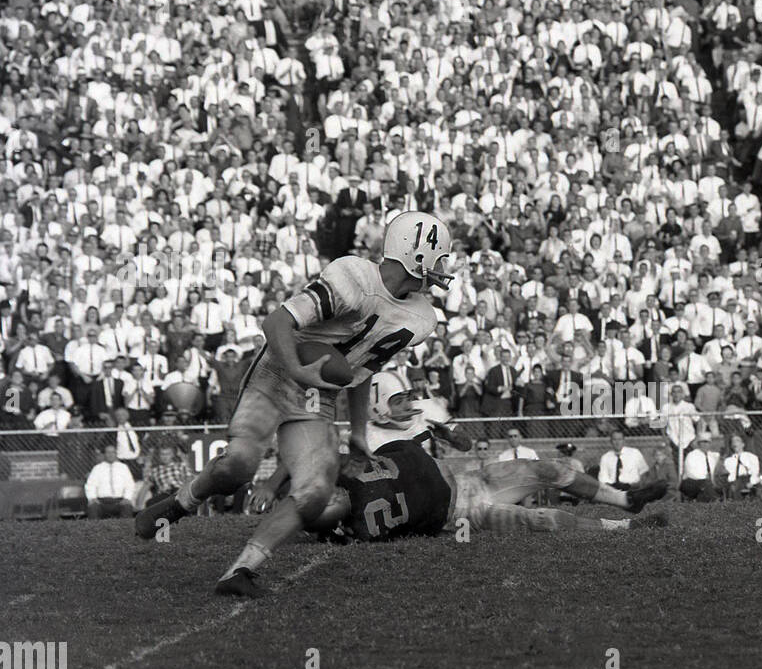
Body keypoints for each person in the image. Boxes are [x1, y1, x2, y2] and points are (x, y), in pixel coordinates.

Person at [134, 212, 451, 596]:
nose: (443, 267)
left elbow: (360, 372)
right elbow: (275, 323)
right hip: (279, 369)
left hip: (322, 390)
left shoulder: (419, 318)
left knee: (316, 489)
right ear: (417, 254)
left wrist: (359, 434)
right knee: (239, 464)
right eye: (439, 256)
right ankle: (181, 503)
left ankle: (241, 570)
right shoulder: (352, 278)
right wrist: (299, 372)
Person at [253, 438, 668, 540]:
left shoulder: (349, 470)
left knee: (548, 468)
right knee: (540, 519)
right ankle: (622, 527)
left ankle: (626, 500)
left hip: (468, 478)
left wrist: (274, 484)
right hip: (461, 512)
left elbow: (307, 454)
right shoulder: (356, 522)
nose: (337, 494)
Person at [84, 445, 138, 518]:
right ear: (104, 454)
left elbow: (130, 485)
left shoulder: (123, 467)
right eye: (108, 452)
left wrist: (127, 498)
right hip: (101, 502)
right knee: (93, 507)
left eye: (113, 452)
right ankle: (94, 529)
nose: (110, 454)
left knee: (127, 506)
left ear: (116, 454)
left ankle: (126, 529)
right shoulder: (97, 468)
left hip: (119, 501)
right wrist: (92, 498)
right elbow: (90, 485)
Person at [679, 430, 724, 501]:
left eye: (707, 442)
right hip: (691, 482)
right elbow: (691, 473)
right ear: (698, 444)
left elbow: (719, 459)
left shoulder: (712, 456)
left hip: (707, 484)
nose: (705, 445)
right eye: (703, 442)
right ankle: (714, 500)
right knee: (706, 485)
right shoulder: (692, 455)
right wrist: (706, 480)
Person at [723, 433, 762, 498]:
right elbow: (730, 476)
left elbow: (755, 472)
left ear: (743, 444)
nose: (734, 443)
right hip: (735, 484)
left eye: (737, 440)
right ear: (731, 446)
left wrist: (751, 482)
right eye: (733, 441)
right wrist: (733, 484)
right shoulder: (728, 461)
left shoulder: (751, 457)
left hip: (750, 480)